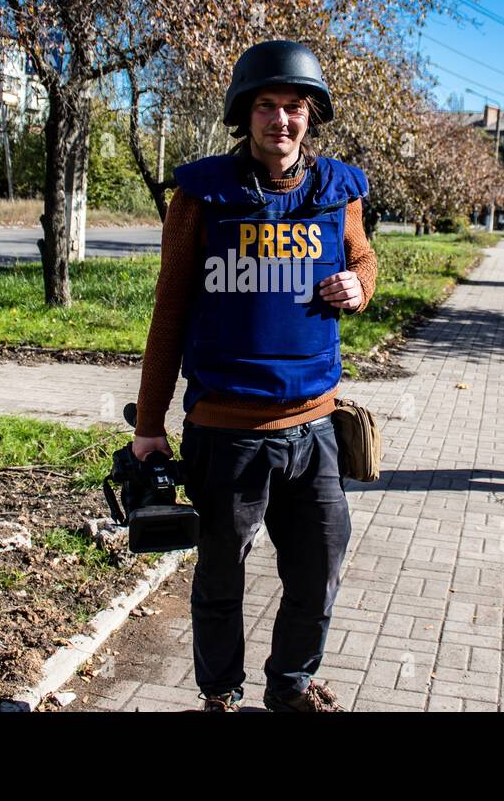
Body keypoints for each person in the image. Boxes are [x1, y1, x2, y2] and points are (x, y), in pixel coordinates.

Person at [132, 40, 377, 712]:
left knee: (320, 564)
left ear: (311, 115)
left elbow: (364, 256)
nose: (281, 120)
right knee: (220, 575)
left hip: (315, 427)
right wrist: (148, 426)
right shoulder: (203, 192)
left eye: (294, 107)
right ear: (246, 114)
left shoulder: (339, 191)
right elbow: (171, 308)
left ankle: (292, 685)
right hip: (226, 429)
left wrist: (360, 286)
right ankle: (221, 695)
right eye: (266, 106)